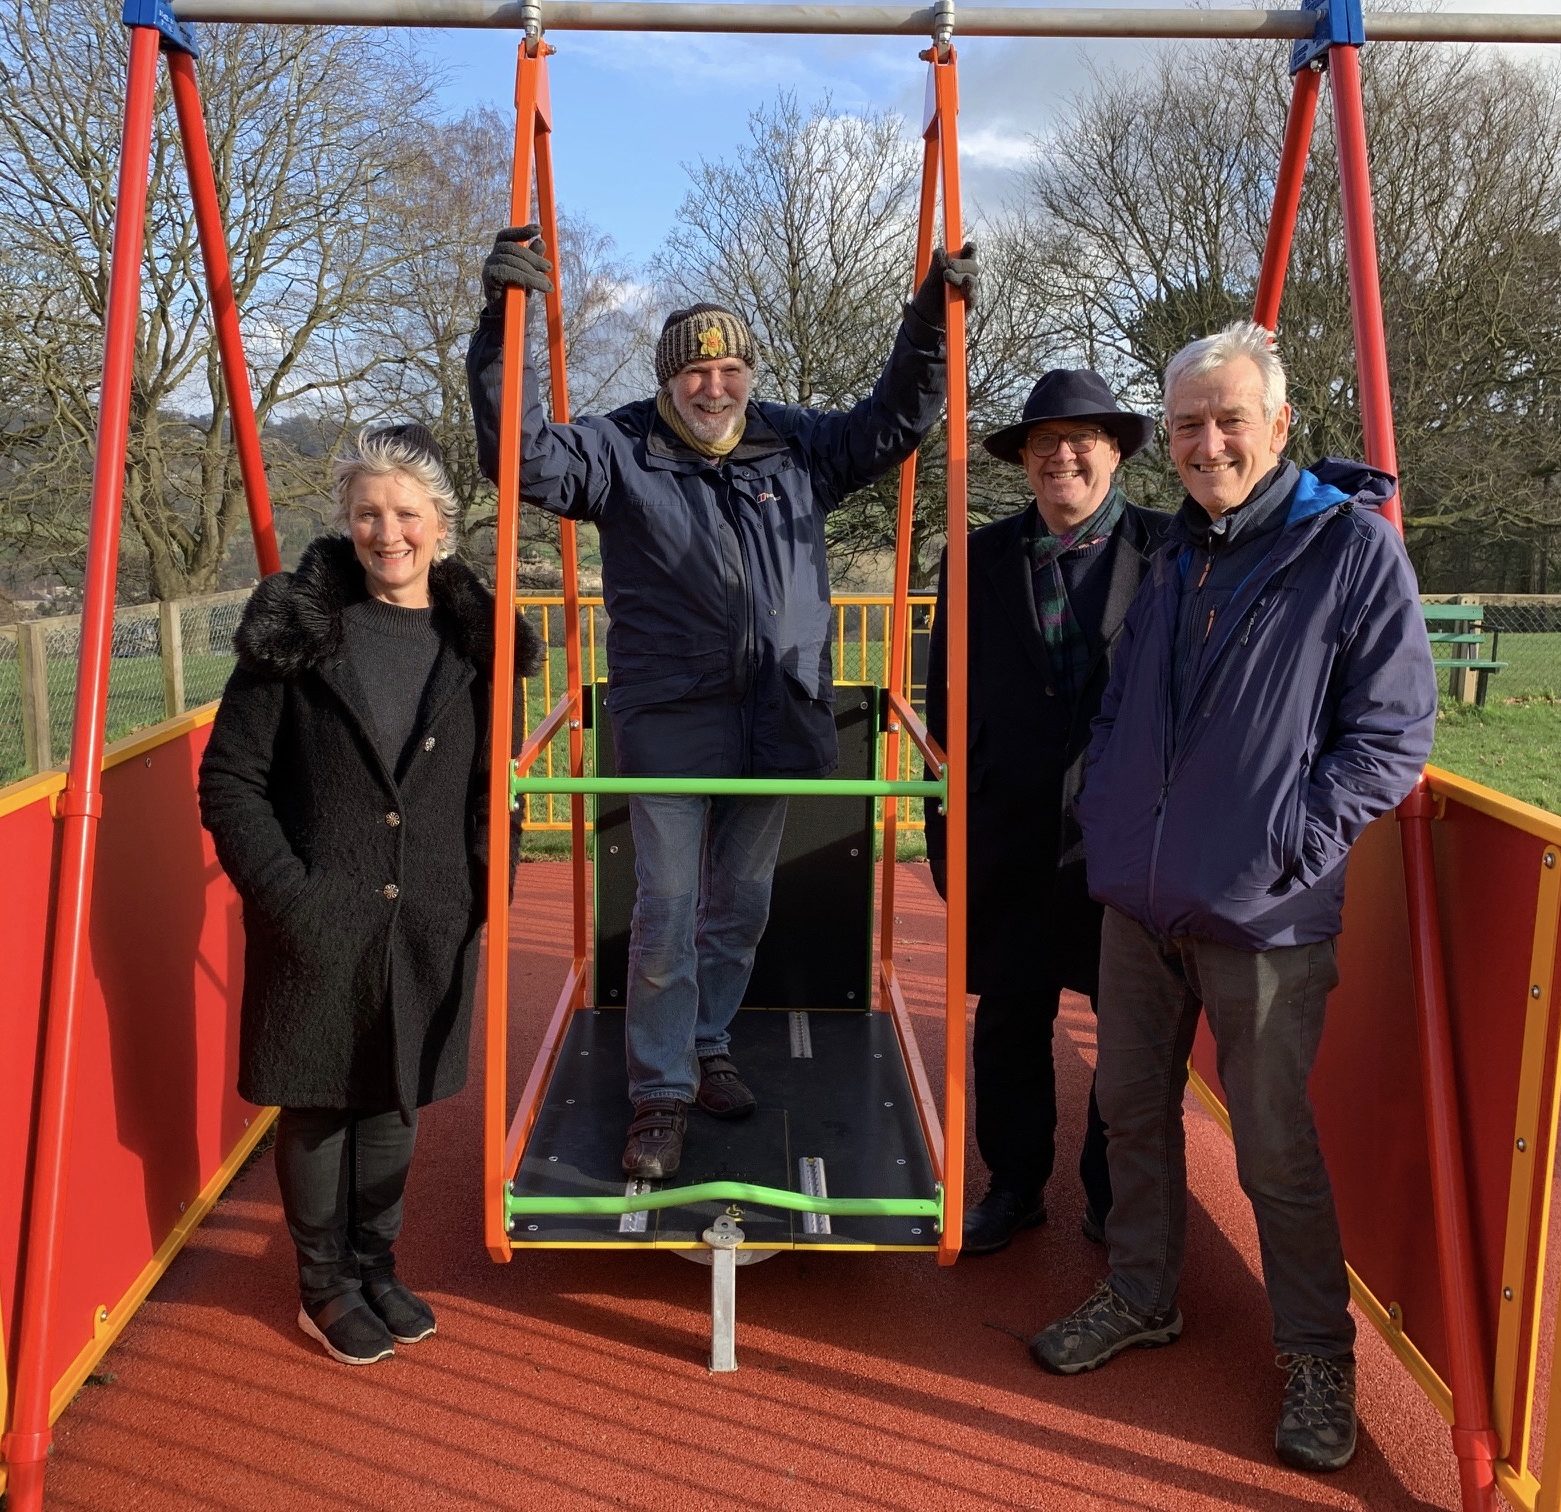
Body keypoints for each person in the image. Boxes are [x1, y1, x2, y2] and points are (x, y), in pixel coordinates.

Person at [468, 225, 975, 1180]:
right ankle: (657, 1094)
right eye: (695, 373)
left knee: (739, 903)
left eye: (731, 368)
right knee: (665, 910)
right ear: (668, 381)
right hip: (671, 721)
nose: (714, 387)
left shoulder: (798, 445)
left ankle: (705, 1045)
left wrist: (927, 329)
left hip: (778, 716)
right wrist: (507, 325)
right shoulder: (620, 451)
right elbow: (521, 457)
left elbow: (895, 425)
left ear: (748, 373)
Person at [1030, 322, 1437, 1475]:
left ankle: (1315, 1354)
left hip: (1263, 914)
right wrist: (1110, 814)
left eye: (1229, 421)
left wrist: (1287, 850)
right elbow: (1122, 710)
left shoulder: (1347, 550)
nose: (1208, 442)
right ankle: (1143, 1293)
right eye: (1190, 425)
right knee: (1128, 1111)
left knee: (1272, 1148)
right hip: (1140, 901)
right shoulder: (1178, 553)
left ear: (1279, 426)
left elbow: (1392, 732)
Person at [199, 424, 541, 1367]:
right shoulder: (298, 630)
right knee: (318, 1104)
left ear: (441, 525)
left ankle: (375, 1263)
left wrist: (483, 894)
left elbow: (491, 791)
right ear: (347, 523)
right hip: (317, 911)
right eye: (366, 514)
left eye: (404, 514)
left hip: (427, 912)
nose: (385, 533)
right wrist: (290, 900)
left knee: (396, 1101)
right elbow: (230, 781)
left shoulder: (473, 645)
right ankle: (323, 1285)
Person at [923, 370, 1171, 1255]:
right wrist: (955, 827)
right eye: (1043, 443)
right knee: (1010, 1022)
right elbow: (947, 701)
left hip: (1124, 836)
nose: (1063, 455)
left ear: (1115, 452)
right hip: (1012, 831)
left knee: (1129, 1032)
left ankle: (1111, 1197)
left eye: (1083, 440)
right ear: (1024, 459)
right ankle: (1017, 1184)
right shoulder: (978, 558)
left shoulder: (1172, 549)